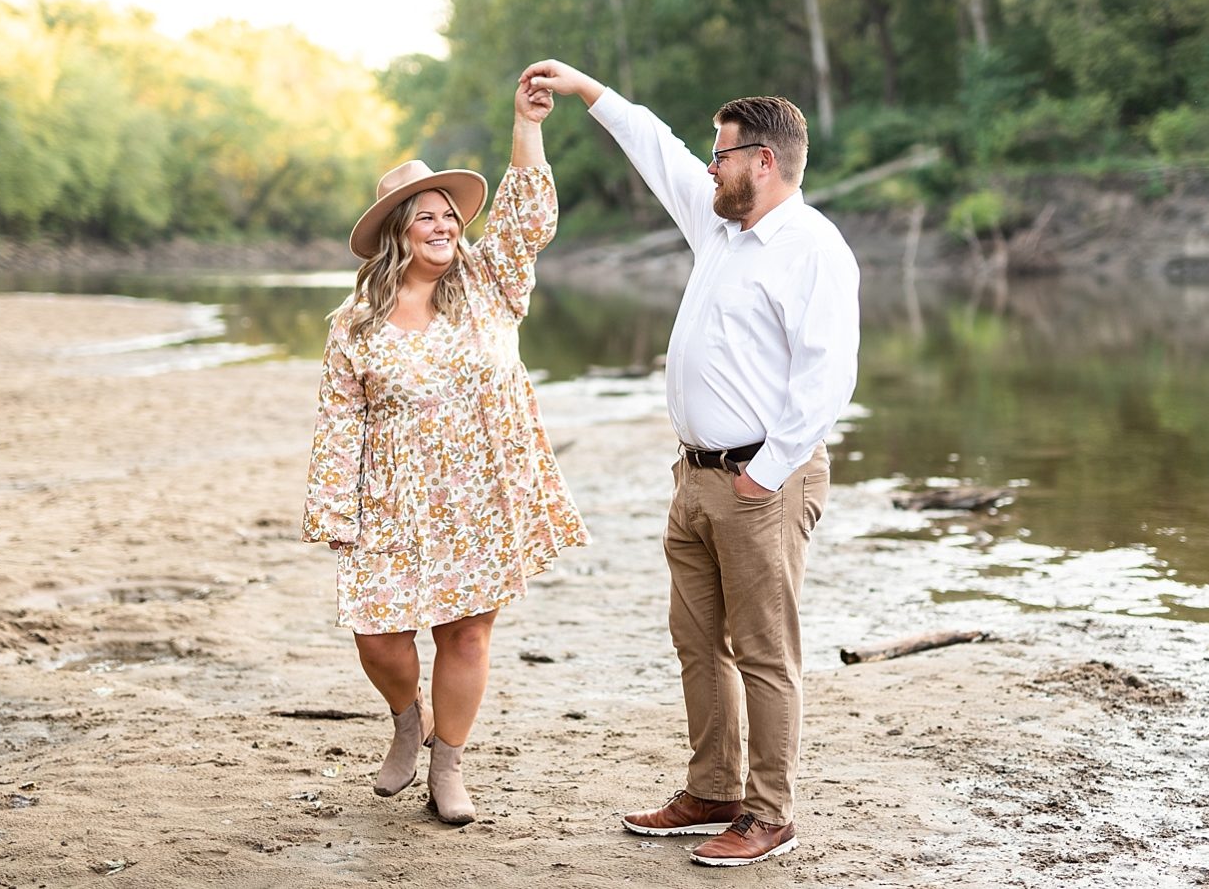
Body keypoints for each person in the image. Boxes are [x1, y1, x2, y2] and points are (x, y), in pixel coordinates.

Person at [521, 59, 860, 867]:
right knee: (697, 641)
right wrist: (582, 88)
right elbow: (654, 143)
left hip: (760, 483)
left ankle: (771, 814)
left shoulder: (812, 247)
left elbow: (827, 375)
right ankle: (715, 791)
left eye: (725, 153)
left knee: (766, 651)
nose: (710, 166)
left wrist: (763, 473)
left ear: (764, 162)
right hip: (696, 477)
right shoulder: (717, 225)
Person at [301, 79, 587, 824]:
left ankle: (449, 767)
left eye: (449, 214)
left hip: (480, 493)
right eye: (424, 215)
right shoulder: (355, 323)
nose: (442, 224)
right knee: (377, 633)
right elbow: (340, 420)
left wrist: (527, 124)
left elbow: (527, 215)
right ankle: (407, 719)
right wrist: (334, 510)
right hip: (391, 498)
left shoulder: (489, 282)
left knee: (466, 633)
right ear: (398, 230)